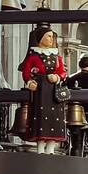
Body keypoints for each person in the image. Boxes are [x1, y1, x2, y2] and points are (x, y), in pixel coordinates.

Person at [19, 25, 67, 155]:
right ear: (41, 38)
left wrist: (57, 77)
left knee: (53, 118)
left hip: (53, 91)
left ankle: (51, 148)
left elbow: (62, 71)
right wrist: (29, 82)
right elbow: (26, 71)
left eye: (52, 36)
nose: (52, 39)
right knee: (39, 118)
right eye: (49, 36)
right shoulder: (33, 56)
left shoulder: (57, 56)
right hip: (40, 91)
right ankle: (40, 148)